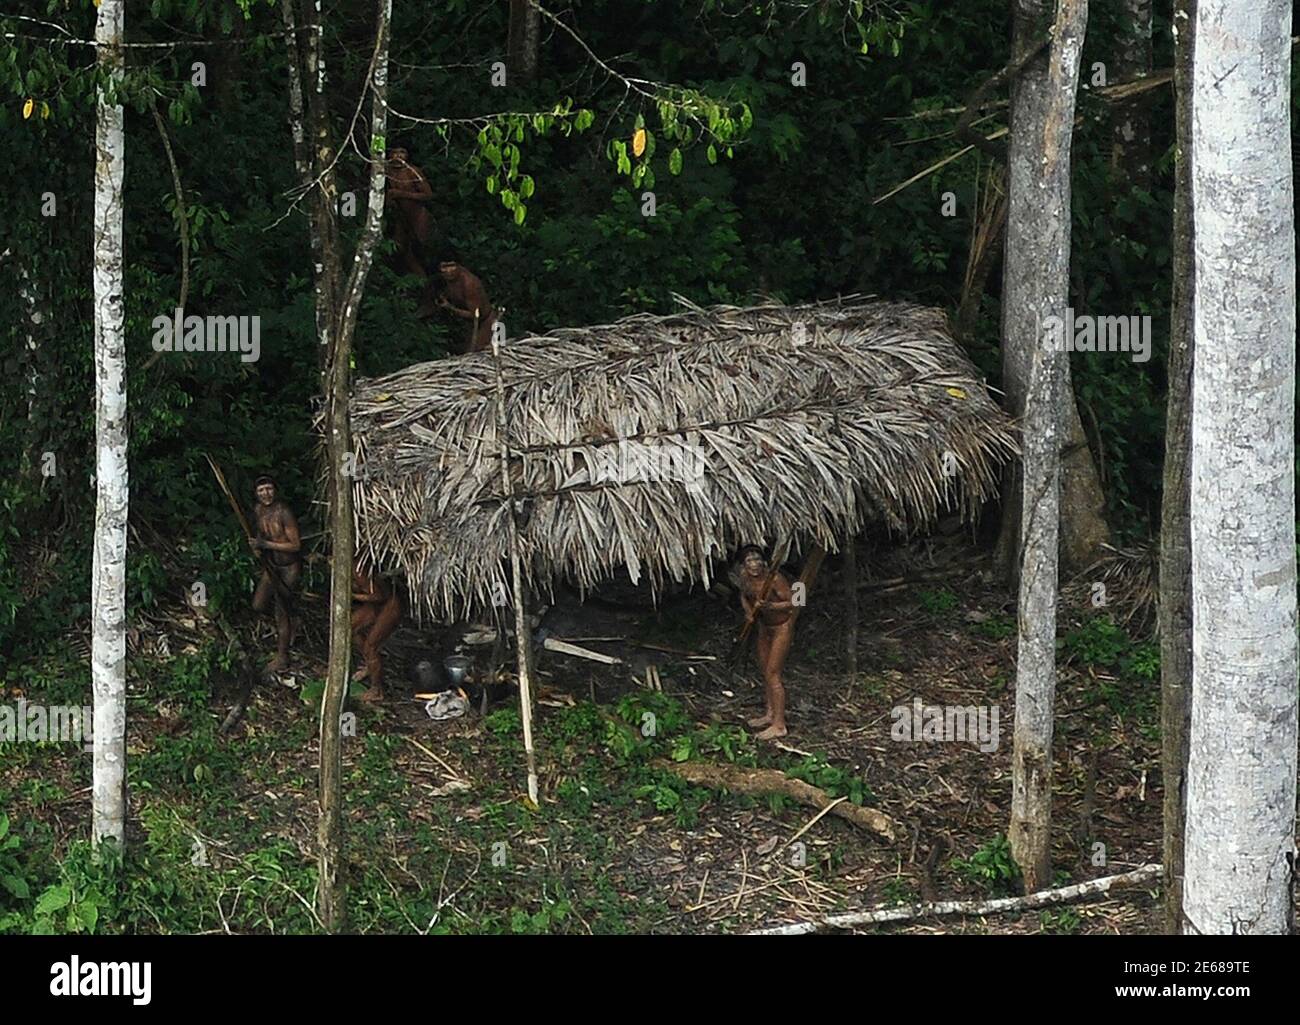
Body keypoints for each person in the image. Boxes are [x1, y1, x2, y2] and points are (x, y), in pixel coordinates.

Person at [736, 545, 797, 740]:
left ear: (763, 562)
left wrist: (771, 606)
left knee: (773, 673)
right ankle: (770, 714)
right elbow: (744, 595)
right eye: (749, 561)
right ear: (744, 565)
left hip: (781, 627)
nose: (753, 565)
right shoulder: (745, 578)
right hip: (764, 627)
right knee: (764, 670)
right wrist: (748, 612)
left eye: (756, 560)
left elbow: (794, 601)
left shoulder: (775, 579)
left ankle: (780, 725)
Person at [250, 475, 301, 672]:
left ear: (275, 490)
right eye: (262, 490)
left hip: (289, 568)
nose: (266, 493)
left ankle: (282, 656)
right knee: (258, 604)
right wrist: (258, 545)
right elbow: (261, 533)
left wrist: (266, 544)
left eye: (269, 489)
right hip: (271, 565)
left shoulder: (284, 512)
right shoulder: (259, 510)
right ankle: (292, 621)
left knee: (281, 611)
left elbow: (295, 545)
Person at [351, 559, 403, 703]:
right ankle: (370, 664)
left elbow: (378, 595)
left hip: (389, 604)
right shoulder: (344, 569)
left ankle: (377, 689)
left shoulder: (356, 569)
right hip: (374, 604)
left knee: (371, 646)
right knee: (351, 628)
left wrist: (353, 596)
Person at [435, 254, 497, 353]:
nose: (448, 271)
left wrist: (450, 307)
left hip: (484, 322)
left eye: (452, 266)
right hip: (468, 324)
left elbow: (476, 315)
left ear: (459, 266)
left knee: (475, 353)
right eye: (444, 267)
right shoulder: (445, 280)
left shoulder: (469, 284)